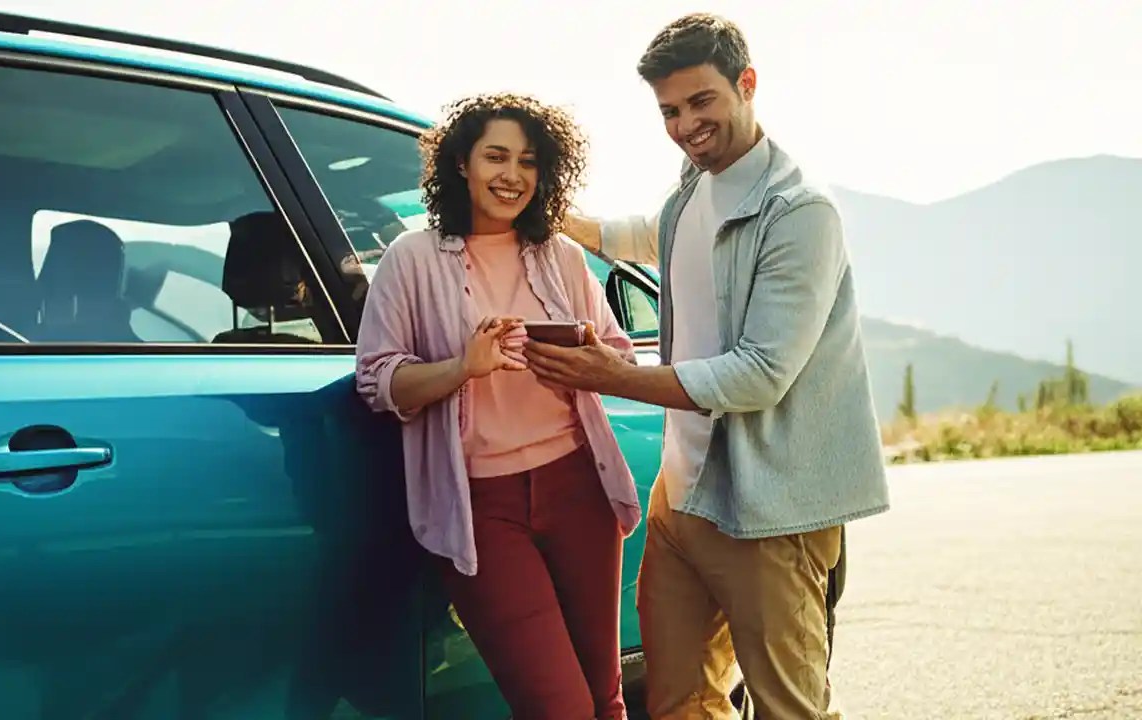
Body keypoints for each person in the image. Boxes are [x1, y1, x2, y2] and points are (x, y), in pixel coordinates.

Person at [524, 13, 891, 720]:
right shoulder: (696, 180)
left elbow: (758, 375)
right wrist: (569, 223)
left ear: (747, 84)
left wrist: (609, 374)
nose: (686, 125)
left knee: (789, 708)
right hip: (681, 498)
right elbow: (662, 234)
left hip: (768, 509)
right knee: (678, 702)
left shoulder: (799, 212)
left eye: (701, 103)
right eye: (669, 110)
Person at [354, 92, 641, 720]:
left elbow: (621, 357)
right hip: (482, 505)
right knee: (558, 707)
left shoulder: (561, 256)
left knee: (605, 699)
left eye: (529, 162)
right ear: (461, 162)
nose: (512, 176)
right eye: (496, 157)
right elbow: (377, 381)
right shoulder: (411, 260)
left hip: (579, 489)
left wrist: (586, 356)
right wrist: (463, 367)